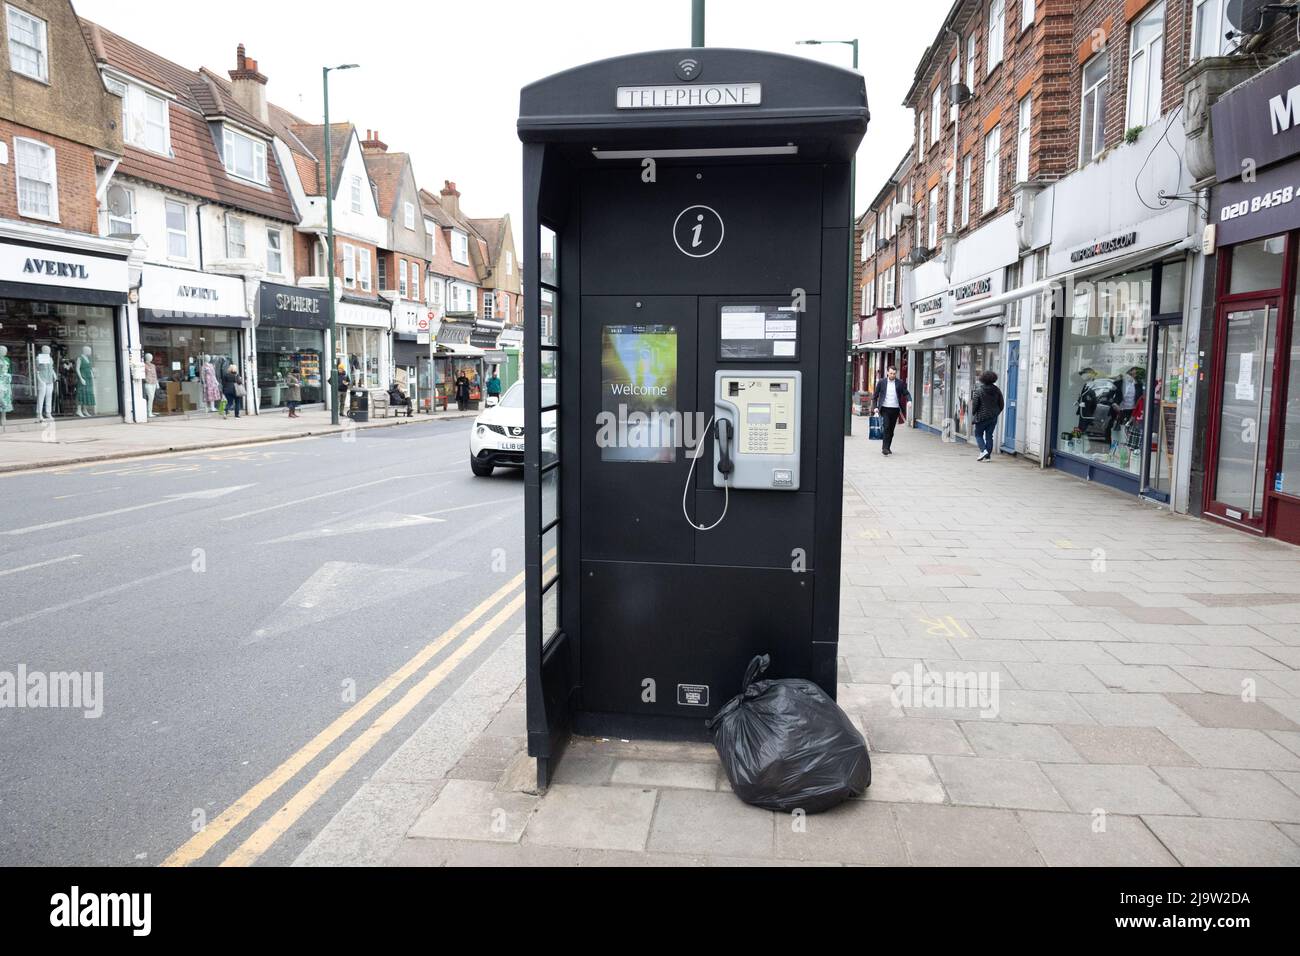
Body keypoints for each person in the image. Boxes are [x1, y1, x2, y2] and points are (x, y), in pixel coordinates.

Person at [873, 365, 910, 456]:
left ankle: (888, 447)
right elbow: (875, 396)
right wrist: (875, 407)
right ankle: (884, 448)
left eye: (894, 374)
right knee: (886, 427)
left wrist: (909, 401)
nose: (892, 375)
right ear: (887, 373)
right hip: (884, 408)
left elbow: (906, 393)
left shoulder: (900, 383)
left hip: (895, 409)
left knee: (891, 430)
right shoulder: (882, 382)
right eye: (891, 373)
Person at [971, 370, 1005, 462]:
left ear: (982, 379)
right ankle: (987, 456)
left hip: (981, 417)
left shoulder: (979, 391)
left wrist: (973, 413)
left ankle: (983, 451)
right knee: (989, 436)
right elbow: (1001, 404)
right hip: (993, 417)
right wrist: (996, 412)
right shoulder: (997, 390)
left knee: (978, 434)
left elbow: (975, 405)